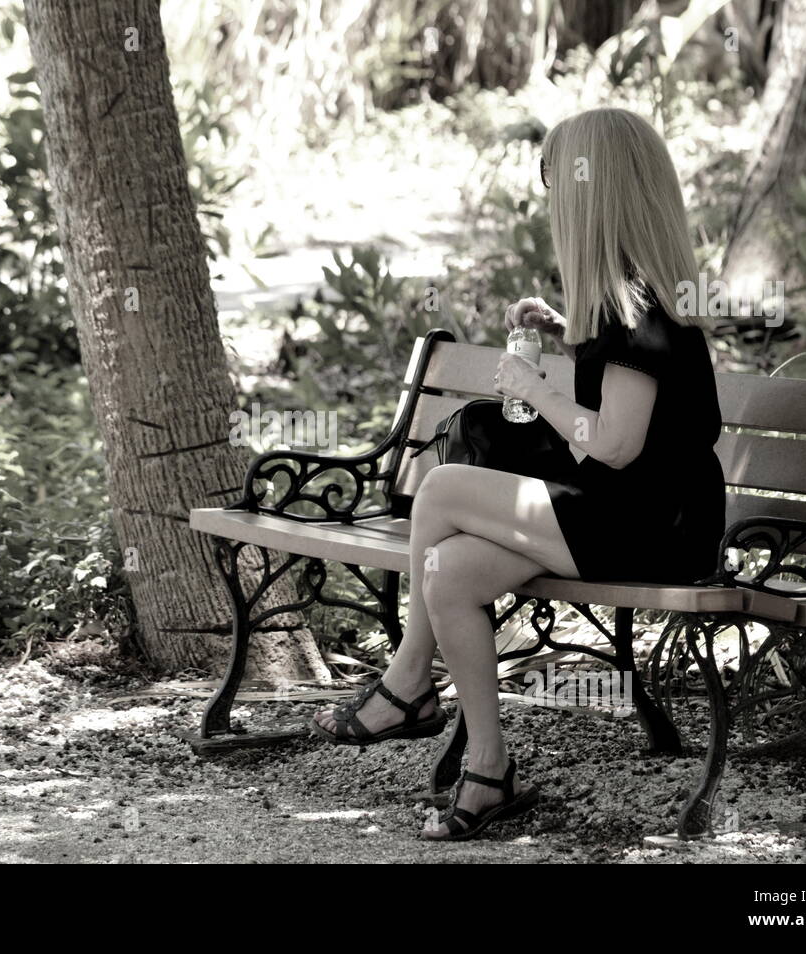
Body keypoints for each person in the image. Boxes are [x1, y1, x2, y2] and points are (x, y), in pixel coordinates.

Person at [311, 107, 726, 841]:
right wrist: (569, 334)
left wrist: (537, 389)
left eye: (553, 187)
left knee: (439, 487)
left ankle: (409, 682)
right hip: (624, 510)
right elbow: (627, 414)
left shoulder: (643, 312)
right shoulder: (633, 303)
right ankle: (489, 771)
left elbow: (618, 448)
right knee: (447, 571)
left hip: (652, 525)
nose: (549, 204)